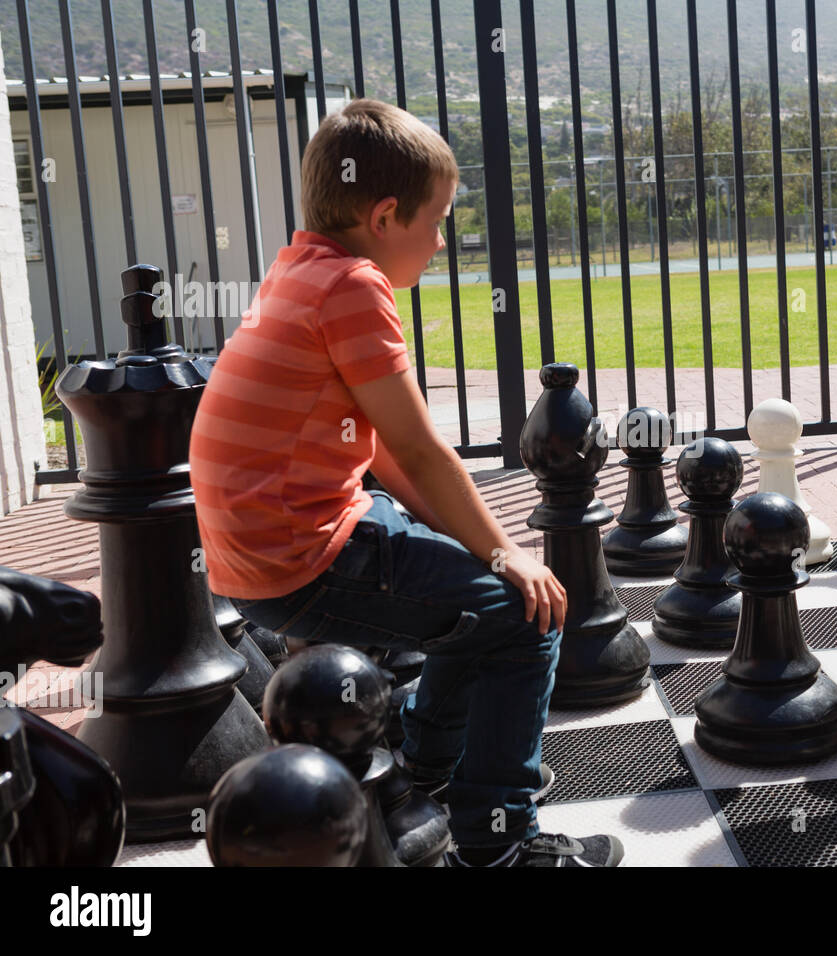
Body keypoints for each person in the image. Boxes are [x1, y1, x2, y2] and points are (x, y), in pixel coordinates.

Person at [190, 98, 622, 866]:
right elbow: (421, 452)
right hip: (302, 554)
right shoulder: (353, 286)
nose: (442, 239)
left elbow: (386, 452)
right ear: (385, 214)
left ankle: (429, 768)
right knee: (525, 616)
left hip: (254, 556)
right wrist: (508, 557)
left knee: (473, 600)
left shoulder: (299, 270)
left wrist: (479, 555)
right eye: (437, 218)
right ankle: (500, 842)